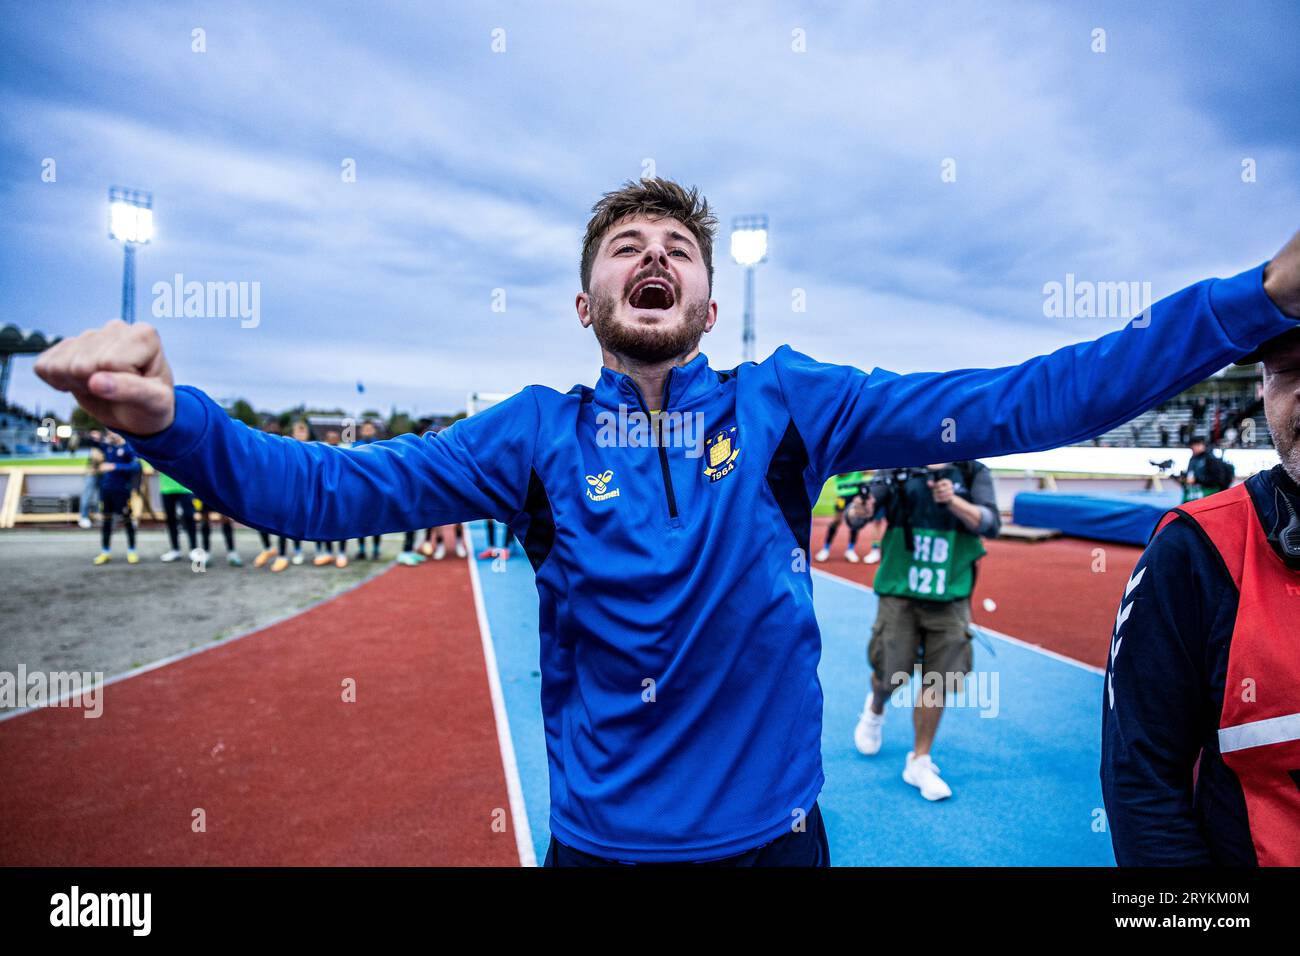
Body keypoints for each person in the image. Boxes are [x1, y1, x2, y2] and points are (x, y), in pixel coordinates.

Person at [36, 179, 1300, 866]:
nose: (655, 254)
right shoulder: (530, 435)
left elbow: (1034, 393)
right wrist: (172, 421)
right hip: (599, 856)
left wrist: (1251, 299)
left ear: (703, 294)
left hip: (775, 850)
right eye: (625, 244)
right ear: (585, 303)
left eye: (680, 246)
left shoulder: (790, 406)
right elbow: (322, 492)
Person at [1101, 326, 1300, 866]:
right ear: (1264, 386)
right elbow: (1141, 781)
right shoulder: (1193, 550)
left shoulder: (1211, 466)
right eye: (1289, 369)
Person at [852, 461, 1000, 800]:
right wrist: (860, 510)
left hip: (951, 595)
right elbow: (861, 512)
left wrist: (954, 502)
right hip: (899, 591)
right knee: (891, 673)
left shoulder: (971, 471)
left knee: (940, 681)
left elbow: (991, 524)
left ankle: (919, 760)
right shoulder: (898, 464)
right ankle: (876, 708)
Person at [88, 430, 140, 565]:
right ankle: (105, 552)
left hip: (122, 491)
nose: (110, 435)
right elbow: (94, 443)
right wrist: (93, 437)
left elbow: (135, 467)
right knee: (106, 522)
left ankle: (132, 551)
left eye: (112, 432)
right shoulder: (108, 447)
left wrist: (114, 466)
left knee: (127, 520)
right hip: (106, 491)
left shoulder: (128, 448)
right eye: (108, 432)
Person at [814, 470, 872, 563]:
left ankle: (850, 549)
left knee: (854, 521)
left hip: (856, 496)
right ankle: (825, 549)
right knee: (836, 521)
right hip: (842, 497)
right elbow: (842, 474)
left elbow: (869, 472)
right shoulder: (844, 461)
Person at [156, 468, 199, 562]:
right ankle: (175, 549)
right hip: (166, 488)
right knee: (170, 519)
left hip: (185, 487)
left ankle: (194, 549)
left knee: (189, 517)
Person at [1182, 433, 1234, 502]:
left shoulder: (1211, 459)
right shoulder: (1194, 459)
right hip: (1196, 492)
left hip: (1208, 493)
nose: (1193, 448)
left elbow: (1217, 480)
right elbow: (1191, 474)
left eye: (1196, 445)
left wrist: (1197, 480)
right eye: (1192, 446)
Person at [77, 429, 103, 528]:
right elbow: (97, 459)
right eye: (93, 436)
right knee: (87, 495)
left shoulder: (101, 445)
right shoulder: (92, 447)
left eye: (97, 435)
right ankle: (83, 517)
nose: (95, 438)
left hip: (100, 474)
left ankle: (97, 516)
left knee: (98, 497)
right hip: (91, 473)